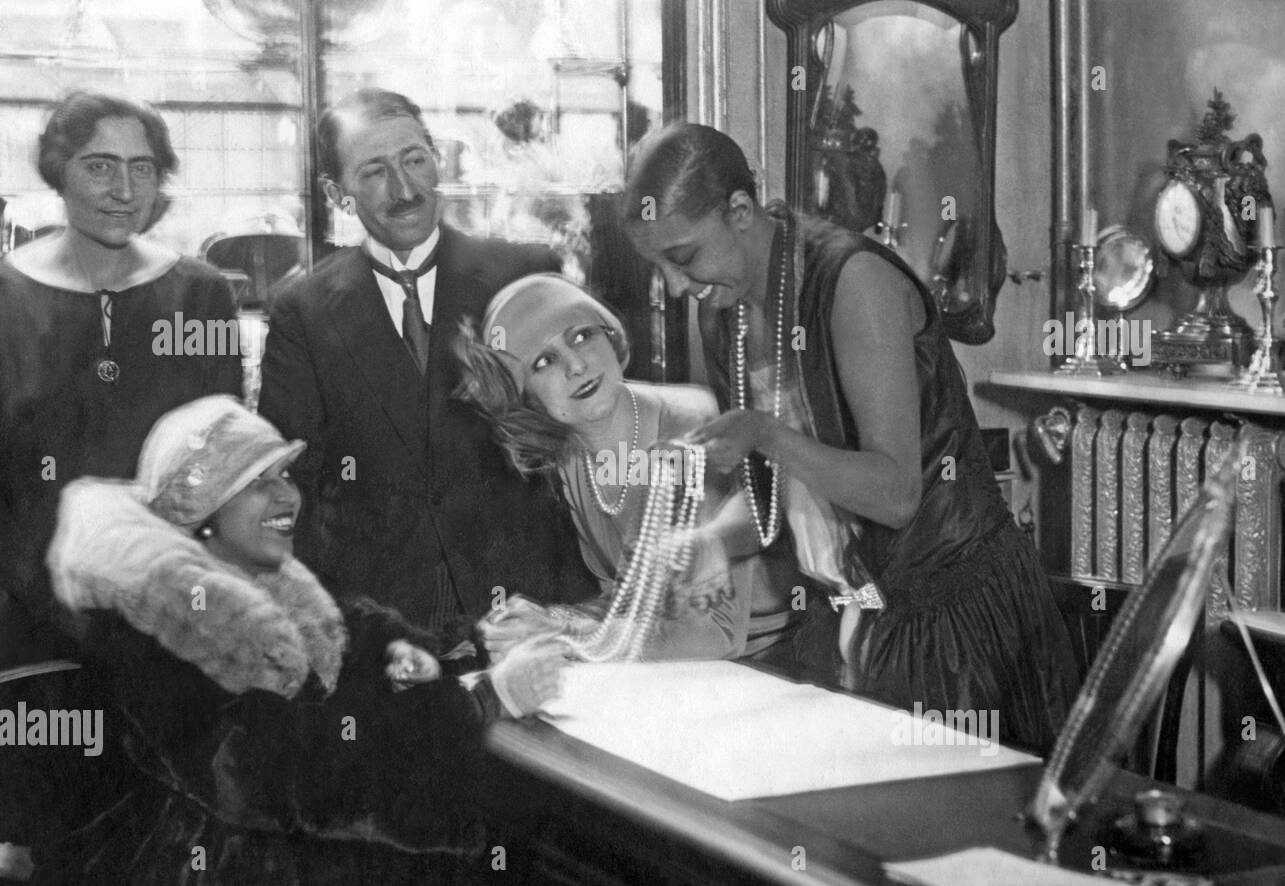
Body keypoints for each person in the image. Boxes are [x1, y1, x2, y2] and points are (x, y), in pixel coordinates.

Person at [0, 396, 566, 886]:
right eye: (258, 482)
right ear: (201, 512)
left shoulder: (259, 579)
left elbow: (352, 635)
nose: (287, 496)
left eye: (285, 475)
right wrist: (479, 702)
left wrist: (463, 645)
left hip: (295, 860)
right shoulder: (164, 628)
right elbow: (281, 773)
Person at [622, 123, 1078, 753]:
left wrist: (762, 433)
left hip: (952, 627)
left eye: (683, 257)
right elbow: (784, 513)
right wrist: (705, 542)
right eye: (658, 268)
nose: (676, 286)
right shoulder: (722, 312)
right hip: (842, 618)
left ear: (740, 211)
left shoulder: (853, 280)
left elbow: (894, 494)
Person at [259, 88, 594, 641]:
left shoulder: (524, 272)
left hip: (529, 604)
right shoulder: (305, 312)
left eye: (415, 159)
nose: (405, 188)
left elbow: (579, 436)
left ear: (437, 158)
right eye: (374, 172)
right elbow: (295, 480)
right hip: (386, 620)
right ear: (336, 194)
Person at [0, 92, 242, 669]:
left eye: (143, 169)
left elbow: (225, 460)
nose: (125, 191)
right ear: (59, 172)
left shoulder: (200, 295)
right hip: (30, 618)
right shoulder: (7, 298)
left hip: (172, 622)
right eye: (99, 166)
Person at [454, 273, 805, 664]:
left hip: (775, 664)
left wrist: (564, 631)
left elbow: (712, 635)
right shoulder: (572, 456)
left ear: (610, 335)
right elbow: (628, 605)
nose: (576, 365)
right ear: (526, 397)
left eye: (582, 336)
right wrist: (542, 622)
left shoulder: (692, 429)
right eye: (544, 362)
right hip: (672, 673)